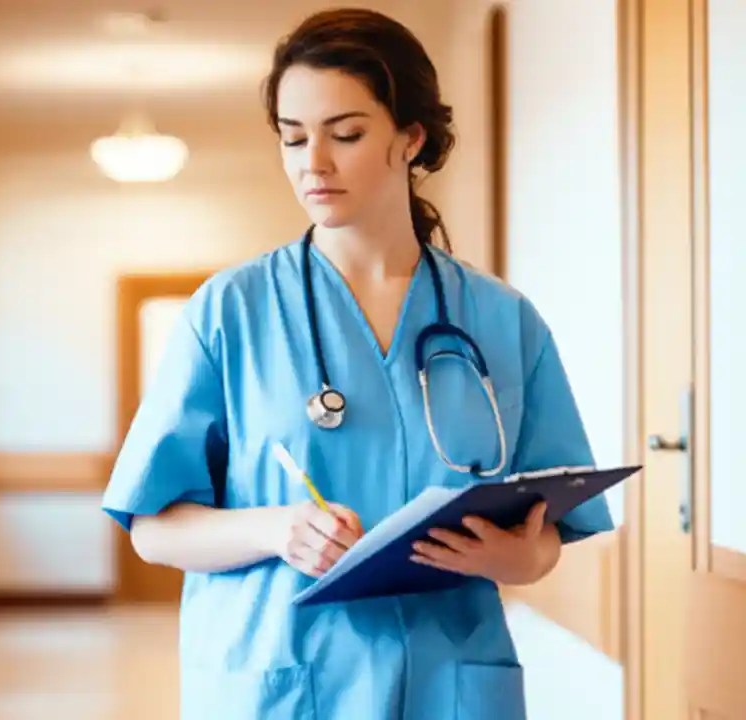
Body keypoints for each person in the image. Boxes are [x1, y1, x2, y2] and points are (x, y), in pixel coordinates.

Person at [100, 7, 614, 720]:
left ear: (411, 138)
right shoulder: (232, 311)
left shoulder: (501, 320)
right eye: (292, 137)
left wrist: (516, 560)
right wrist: (274, 527)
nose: (313, 163)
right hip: (284, 683)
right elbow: (152, 527)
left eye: (345, 134)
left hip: (450, 682)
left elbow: (545, 534)